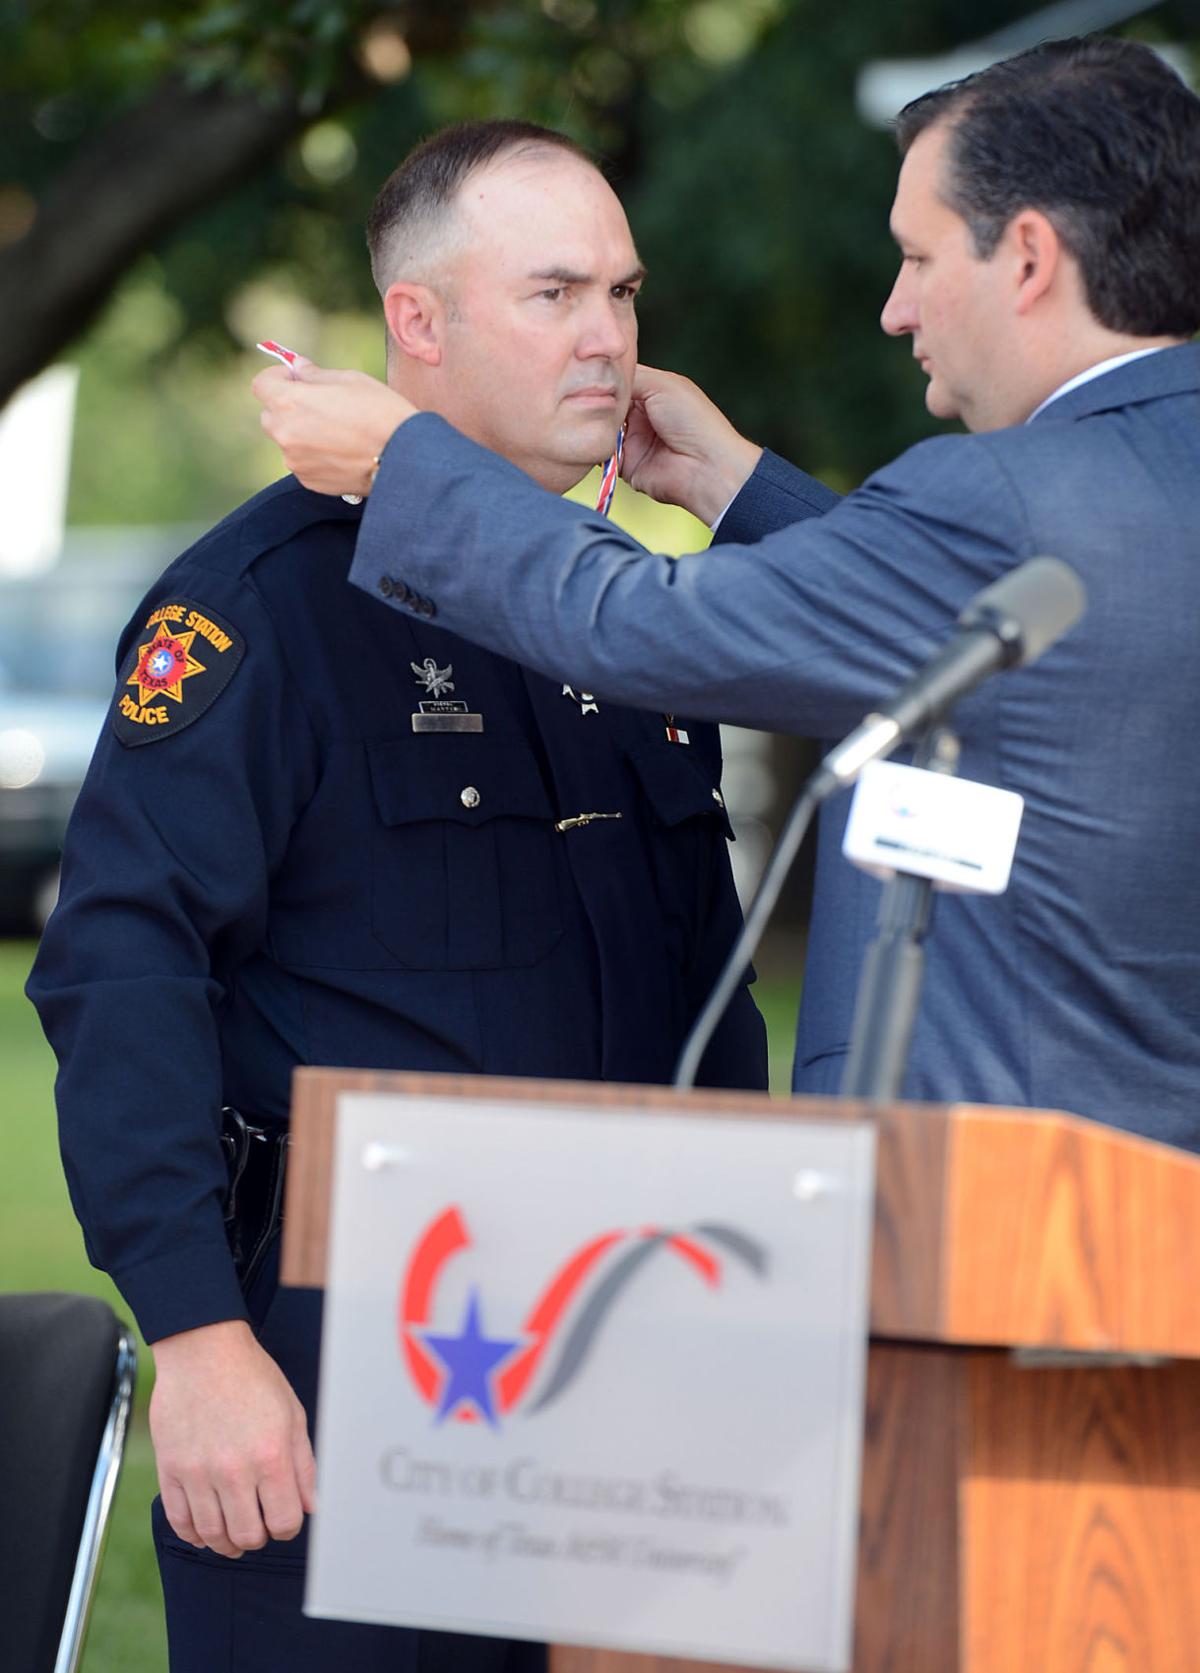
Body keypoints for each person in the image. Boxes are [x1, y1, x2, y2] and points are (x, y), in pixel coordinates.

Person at [28, 120, 766, 1673]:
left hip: (646, 1333)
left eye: (625, 294)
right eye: (556, 292)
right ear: (416, 325)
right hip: (363, 1342)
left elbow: (709, 1004)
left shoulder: (622, 611)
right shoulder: (263, 609)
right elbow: (120, 969)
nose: (610, 337)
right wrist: (199, 1336)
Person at [254, 34, 1200, 1153]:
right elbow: (982, 619)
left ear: (1030, 257)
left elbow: (634, 623)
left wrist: (404, 461)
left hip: (1016, 1238)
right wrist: (739, 485)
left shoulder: (1008, 498)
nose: (897, 310)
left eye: (920, 259)